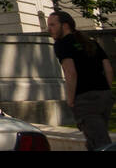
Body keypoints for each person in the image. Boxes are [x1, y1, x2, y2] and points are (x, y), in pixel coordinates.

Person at [47, 11, 113, 150]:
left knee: (100, 143)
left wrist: (70, 100)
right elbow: (108, 69)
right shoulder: (91, 42)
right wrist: (106, 90)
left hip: (85, 99)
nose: (49, 29)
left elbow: (71, 73)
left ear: (65, 25)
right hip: (104, 96)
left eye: (52, 24)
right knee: (94, 139)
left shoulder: (62, 44)